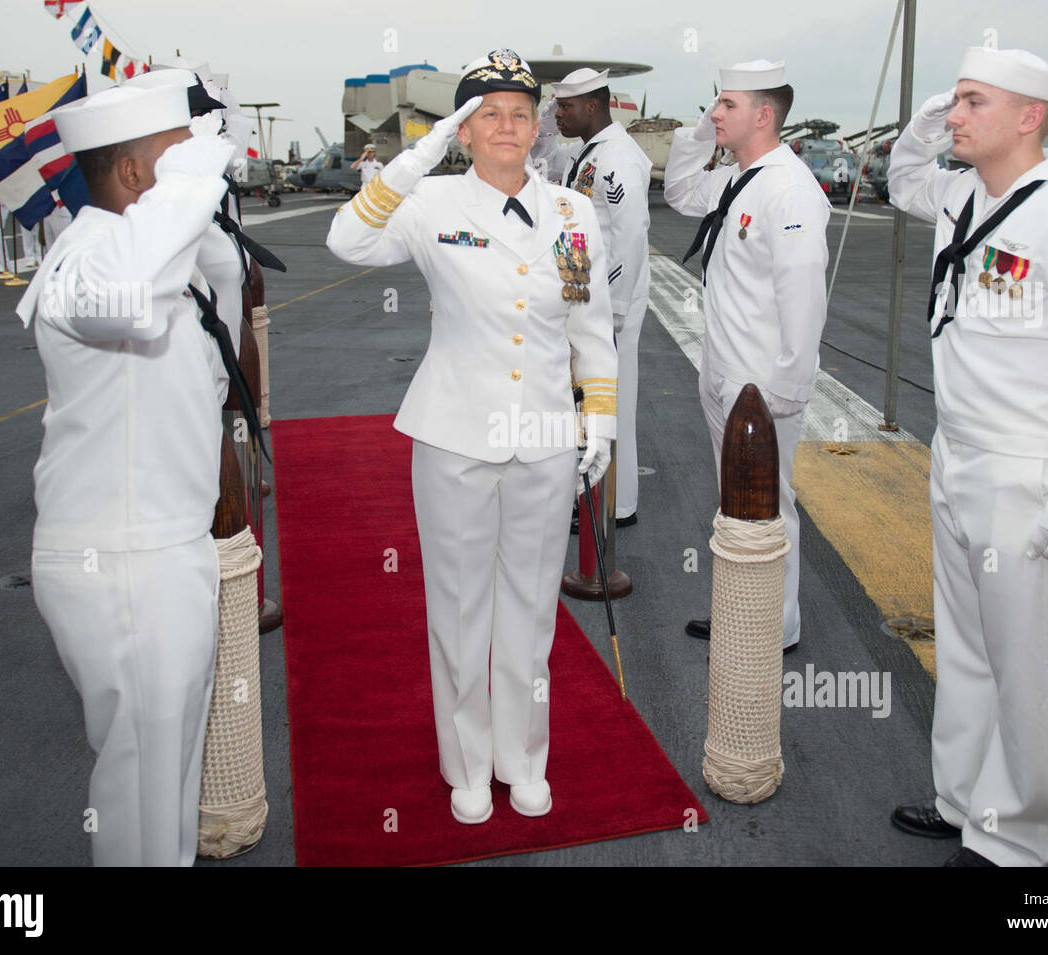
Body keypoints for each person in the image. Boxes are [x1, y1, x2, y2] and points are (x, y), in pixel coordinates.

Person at [327, 48, 619, 825]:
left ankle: (524, 756)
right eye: (486, 113)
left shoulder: (572, 213)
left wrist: (602, 416)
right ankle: (466, 763)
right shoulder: (430, 204)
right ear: (463, 128)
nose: (507, 126)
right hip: (454, 433)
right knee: (458, 608)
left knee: (530, 608)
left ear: (536, 126)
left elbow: (591, 323)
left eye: (520, 113)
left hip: (548, 434)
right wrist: (417, 153)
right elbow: (345, 242)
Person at [887, 47, 1048, 867]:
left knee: (1025, 664)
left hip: (1029, 473)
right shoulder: (962, 191)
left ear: (1031, 116)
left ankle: (1027, 838)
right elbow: (901, 177)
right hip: (958, 456)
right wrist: (940, 105)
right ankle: (966, 801)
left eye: (973, 103)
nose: (955, 118)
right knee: (964, 648)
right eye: (955, 103)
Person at [15, 81, 238, 866]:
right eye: (182, 159)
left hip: (168, 551)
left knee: (168, 786)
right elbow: (129, 303)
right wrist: (193, 172)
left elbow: (214, 379)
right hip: (121, 561)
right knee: (141, 806)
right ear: (141, 178)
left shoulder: (166, 263)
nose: (206, 172)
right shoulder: (90, 261)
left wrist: (209, 224)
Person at [664, 59, 830, 652]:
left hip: (763, 386)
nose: (715, 112)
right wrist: (693, 134)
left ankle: (773, 625)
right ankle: (744, 608)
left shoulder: (787, 188)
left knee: (768, 503)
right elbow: (681, 190)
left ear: (763, 115)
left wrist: (788, 388)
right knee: (737, 505)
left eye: (726, 105)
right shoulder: (739, 178)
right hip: (724, 372)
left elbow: (805, 297)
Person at [532, 68, 651, 528]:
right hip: (581, 294)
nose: (560, 114)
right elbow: (539, 152)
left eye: (566, 106)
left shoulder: (618, 157)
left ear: (594, 106)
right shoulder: (587, 151)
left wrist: (615, 309)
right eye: (558, 106)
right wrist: (546, 114)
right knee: (586, 402)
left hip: (607, 301)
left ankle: (615, 506)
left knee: (610, 403)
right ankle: (594, 496)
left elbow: (629, 238)